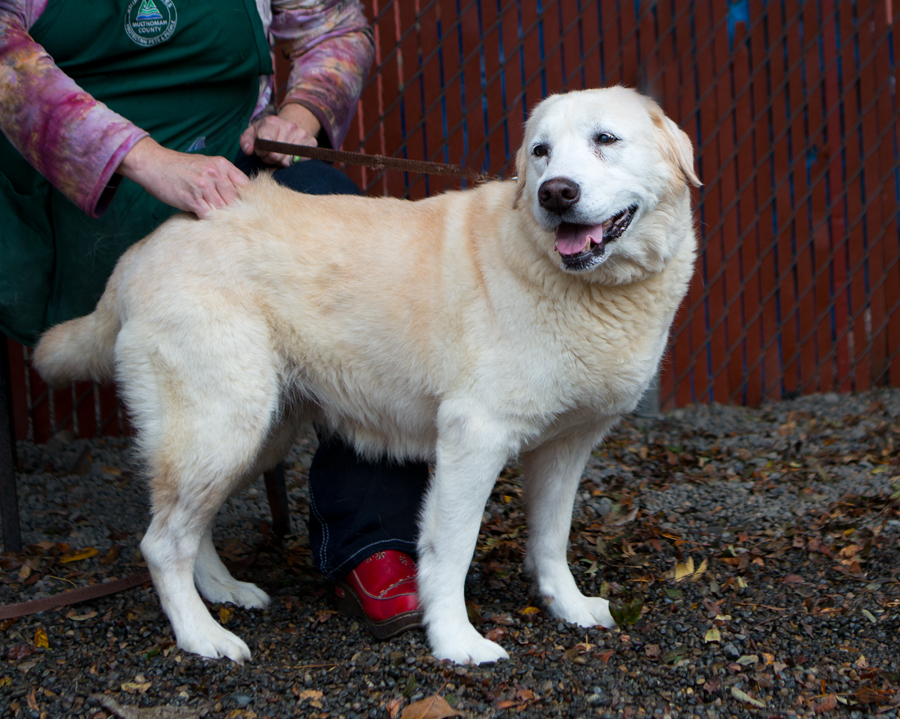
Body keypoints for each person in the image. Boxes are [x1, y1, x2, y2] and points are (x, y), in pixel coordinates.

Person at [0, 0, 427, 639]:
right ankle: (181, 542)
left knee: (362, 260)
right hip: (76, 192)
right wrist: (146, 160)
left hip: (233, 176)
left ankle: (373, 541)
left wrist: (301, 111)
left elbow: (333, 24)